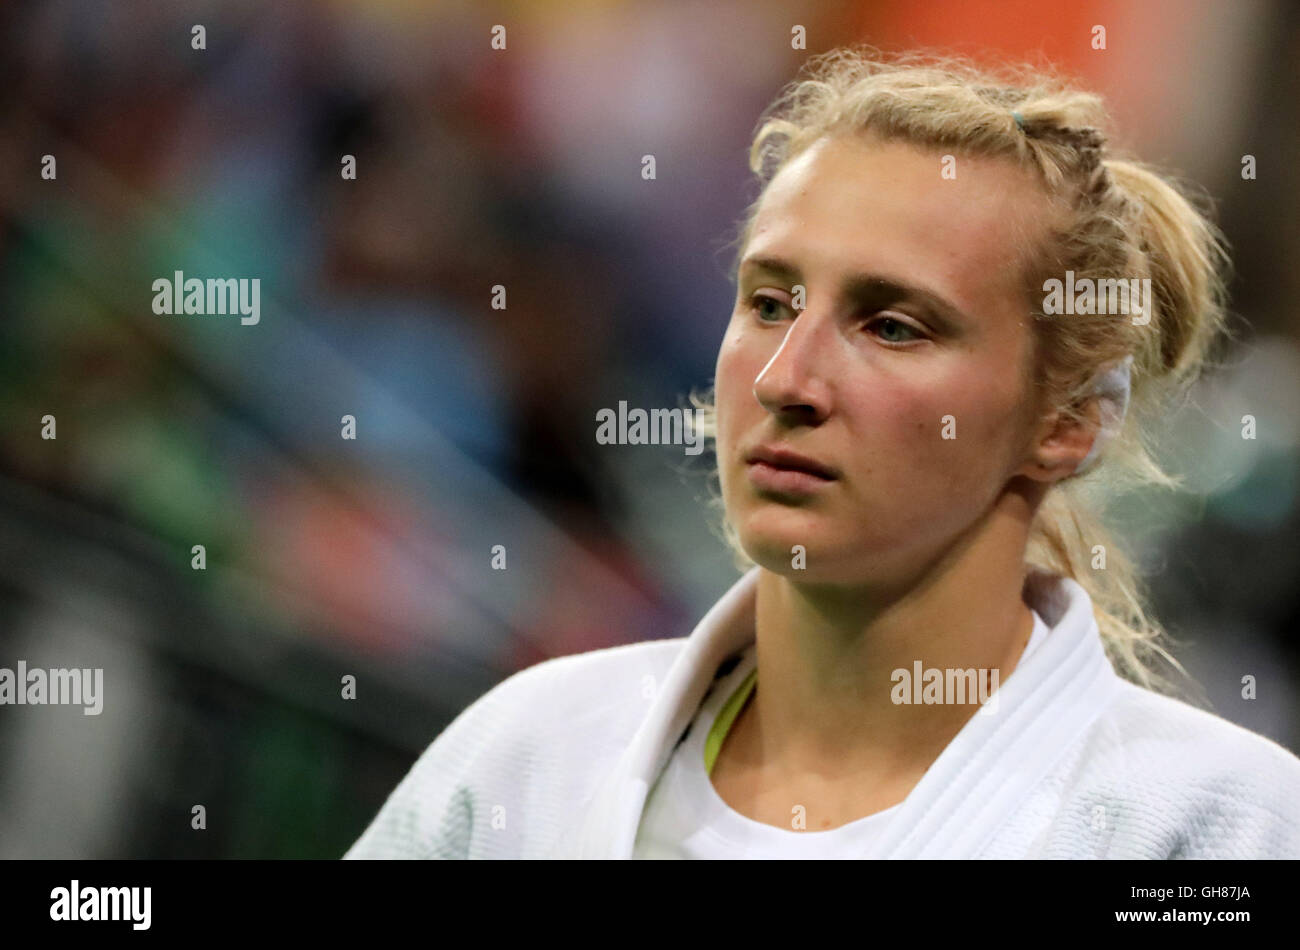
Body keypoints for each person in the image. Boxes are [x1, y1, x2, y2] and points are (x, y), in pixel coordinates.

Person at [344, 47, 1300, 859]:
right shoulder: (528, 759)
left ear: (1066, 423)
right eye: (768, 303)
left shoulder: (1208, 828)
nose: (785, 380)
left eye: (891, 326)